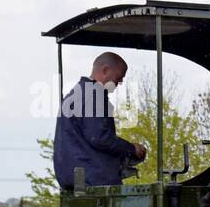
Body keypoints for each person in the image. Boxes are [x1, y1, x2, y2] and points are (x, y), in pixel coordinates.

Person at [53, 52, 146, 189]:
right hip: (94, 180)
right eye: (119, 77)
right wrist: (131, 149)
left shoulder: (75, 94)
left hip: (74, 179)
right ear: (105, 70)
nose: (120, 82)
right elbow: (99, 137)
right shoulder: (93, 95)